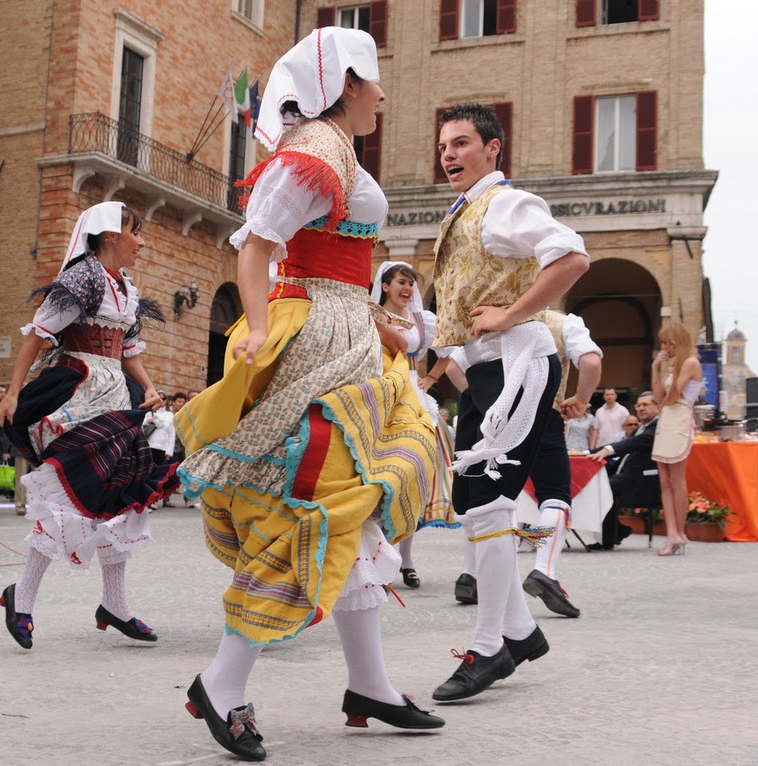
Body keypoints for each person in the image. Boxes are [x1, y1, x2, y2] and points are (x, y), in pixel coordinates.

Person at [175, 27, 444, 762]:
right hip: (321, 336)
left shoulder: (334, 148)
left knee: (353, 506)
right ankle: (221, 683)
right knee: (318, 499)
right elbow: (256, 243)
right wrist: (261, 327)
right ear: (349, 83)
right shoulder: (319, 147)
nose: (382, 93)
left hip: (346, 328)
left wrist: (375, 323)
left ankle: (370, 684)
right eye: (374, 80)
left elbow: (316, 259)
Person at [430, 103, 589, 701]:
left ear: (493, 148)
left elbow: (572, 256)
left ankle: (490, 645)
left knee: (492, 505)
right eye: (444, 145)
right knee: (477, 508)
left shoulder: (504, 203)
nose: (448, 154)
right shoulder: (468, 209)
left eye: (461, 143)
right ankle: (519, 632)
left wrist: (511, 314)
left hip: (518, 364)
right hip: (487, 370)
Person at [0, 201, 166, 651]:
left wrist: (149, 387)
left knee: (120, 496)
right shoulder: (83, 277)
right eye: (135, 232)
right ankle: (22, 597)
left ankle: (115, 604)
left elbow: (127, 351)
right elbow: (38, 335)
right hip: (79, 393)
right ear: (111, 234)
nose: (141, 242)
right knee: (63, 493)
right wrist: (13, 392)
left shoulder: (126, 289)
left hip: (116, 398)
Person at [450, 310, 602, 619]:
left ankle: (470, 573)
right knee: (554, 494)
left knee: (486, 497)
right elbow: (590, 361)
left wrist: (485, 400)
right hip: (542, 412)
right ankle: (544, 569)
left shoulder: (487, 320)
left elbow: (454, 366)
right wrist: (581, 399)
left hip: (492, 418)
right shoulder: (563, 322)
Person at [371, 261, 458, 589]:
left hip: (414, 396)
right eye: (402, 282)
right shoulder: (372, 315)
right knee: (382, 480)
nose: (407, 289)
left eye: (411, 284)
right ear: (385, 287)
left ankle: (405, 559)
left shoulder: (423, 320)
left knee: (413, 478)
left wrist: (431, 378)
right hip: (381, 392)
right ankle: (379, 558)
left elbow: (450, 349)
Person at [651, 322, 703, 556]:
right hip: (667, 421)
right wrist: (655, 367)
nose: (664, 347)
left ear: (674, 342)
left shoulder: (690, 363)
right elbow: (658, 396)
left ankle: (679, 532)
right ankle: (672, 533)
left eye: (665, 342)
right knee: (665, 480)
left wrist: (664, 397)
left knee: (677, 480)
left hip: (679, 418)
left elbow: (671, 398)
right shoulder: (674, 367)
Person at [588, 392, 662, 550]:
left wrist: (605, 450)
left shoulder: (658, 427)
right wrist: (588, 453)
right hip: (629, 476)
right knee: (599, 483)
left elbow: (633, 443)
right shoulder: (641, 428)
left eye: (645, 405)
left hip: (645, 481)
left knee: (605, 487)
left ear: (658, 407)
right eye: (638, 405)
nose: (641, 408)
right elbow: (626, 447)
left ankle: (610, 537)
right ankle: (616, 531)